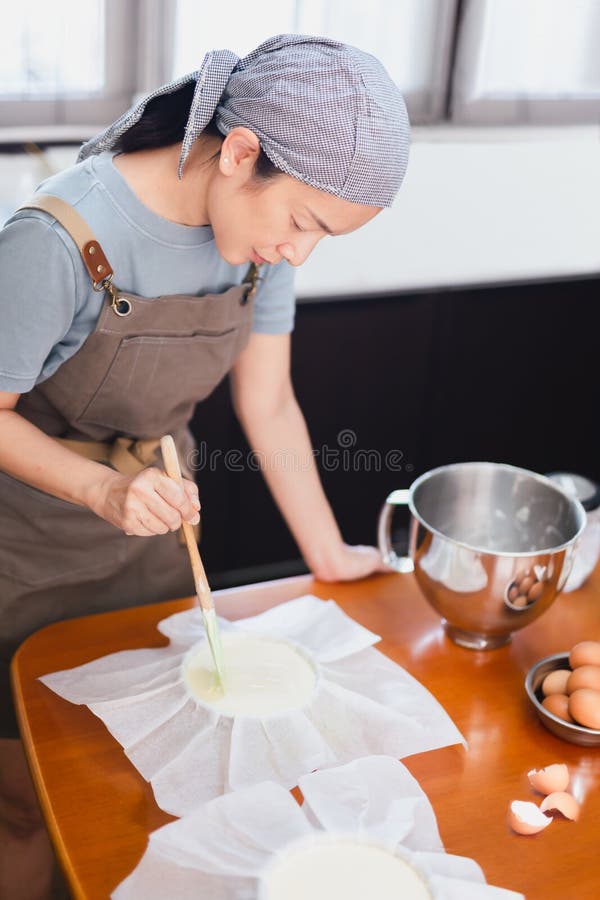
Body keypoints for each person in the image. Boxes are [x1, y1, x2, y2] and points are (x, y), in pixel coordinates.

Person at [0, 34, 410, 899]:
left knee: (135, 785)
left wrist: (328, 554)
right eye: (302, 222)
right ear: (240, 151)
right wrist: (103, 489)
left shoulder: (260, 246)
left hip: (154, 545)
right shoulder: (57, 236)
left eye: (323, 237)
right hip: (25, 555)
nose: (300, 253)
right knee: (27, 805)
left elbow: (269, 405)